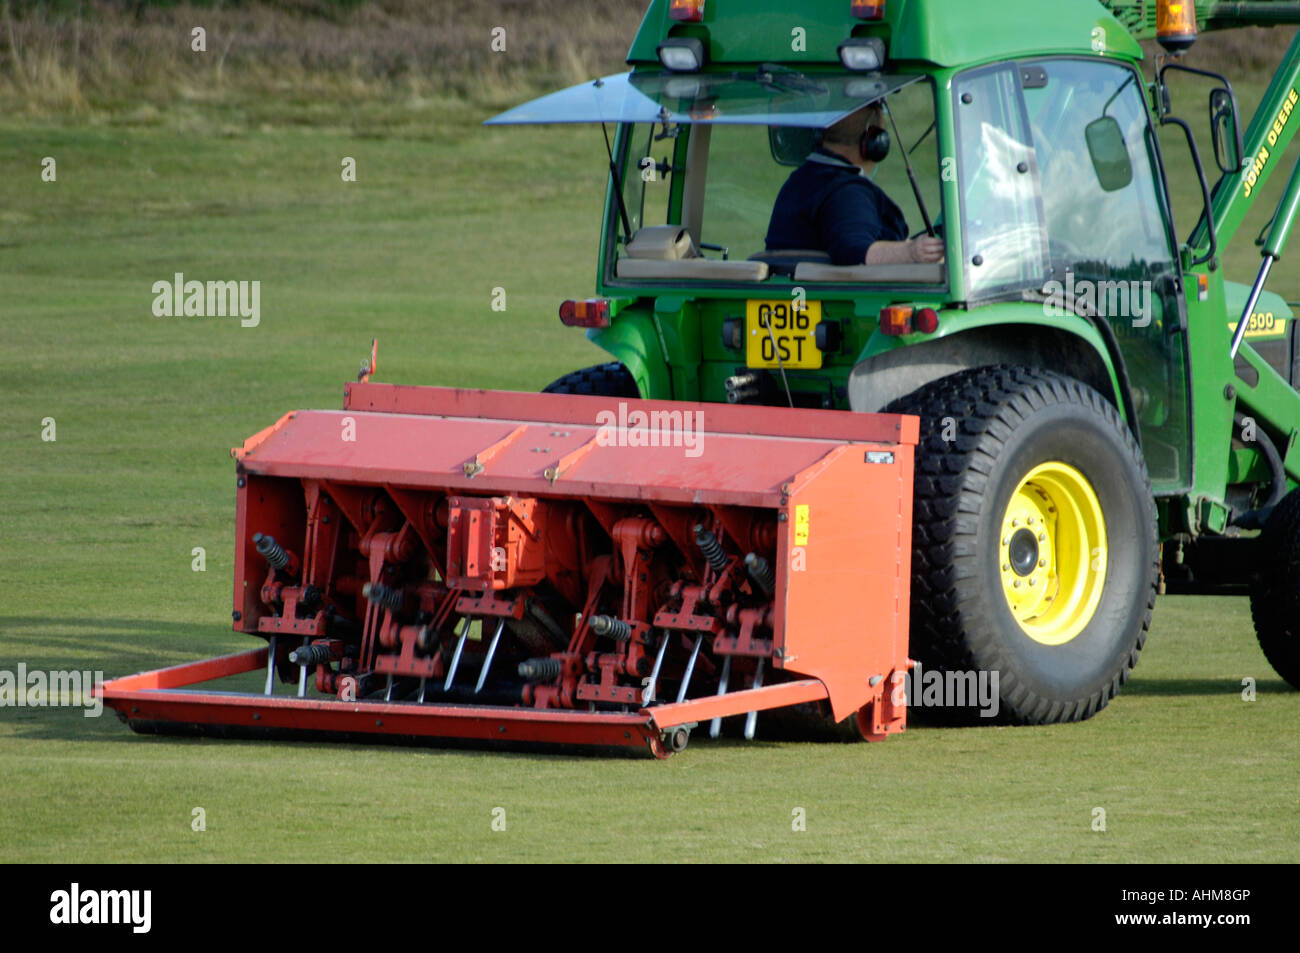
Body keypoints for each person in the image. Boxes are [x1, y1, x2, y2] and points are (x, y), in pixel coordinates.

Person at [765, 102, 944, 266]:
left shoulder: (799, 181)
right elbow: (853, 252)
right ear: (874, 141)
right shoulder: (846, 191)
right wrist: (911, 252)